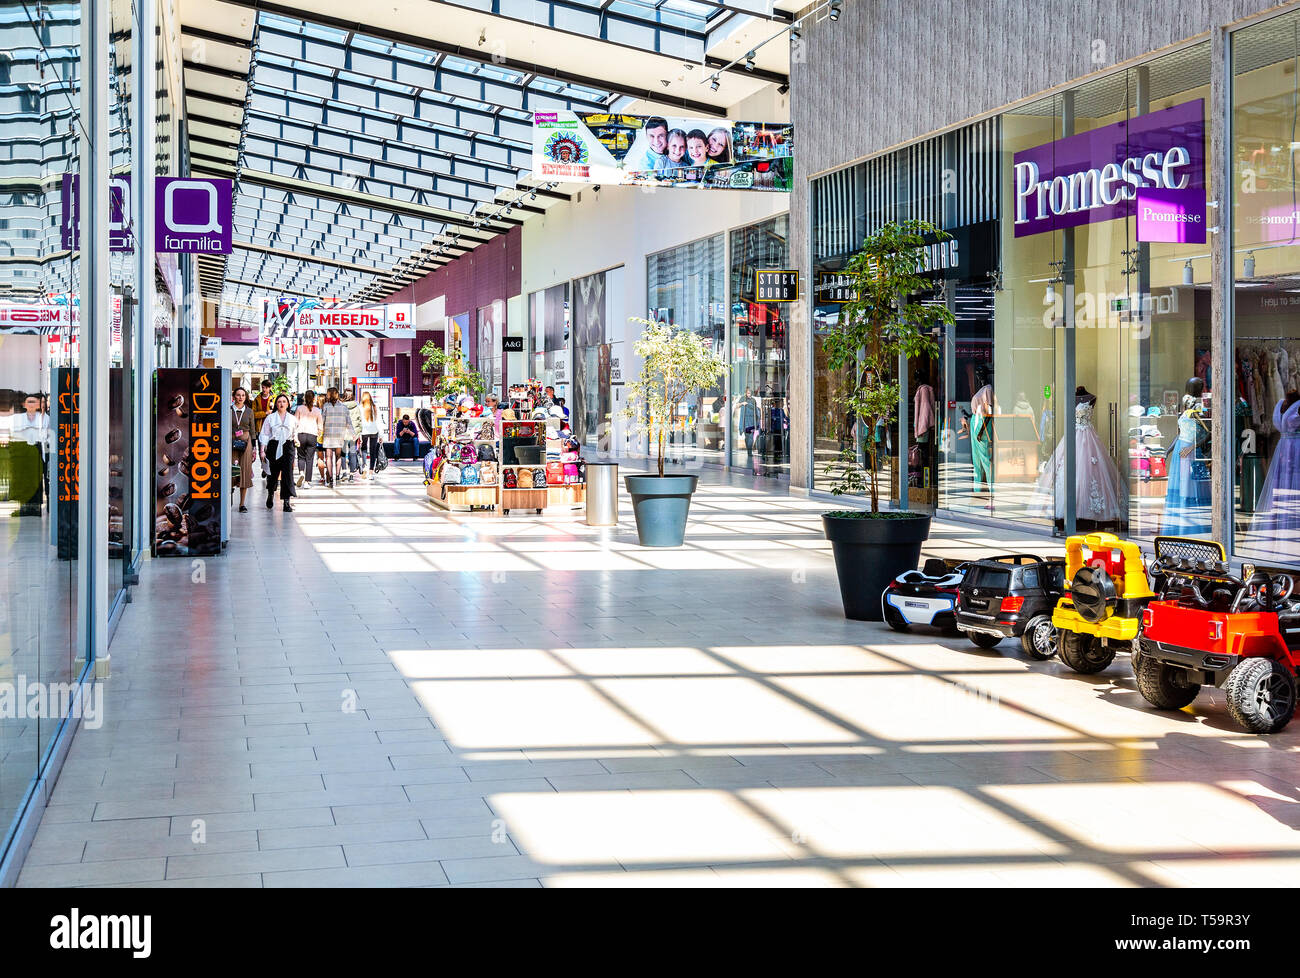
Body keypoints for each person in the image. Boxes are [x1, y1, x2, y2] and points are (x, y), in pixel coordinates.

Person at [10, 392, 51, 516]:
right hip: (25, 451)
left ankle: (39, 507)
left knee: (41, 479)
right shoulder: (19, 418)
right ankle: (26, 507)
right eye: (30, 402)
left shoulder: (45, 418)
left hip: (40, 449)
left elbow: (48, 435)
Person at [259, 394, 297, 512]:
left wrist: (296, 440)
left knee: (287, 474)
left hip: (288, 446)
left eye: (284, 401)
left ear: (288, 404)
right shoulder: (270, 418)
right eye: (279, 401)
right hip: (274, 446)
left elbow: (295, 432)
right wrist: (262, 450)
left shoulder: (292, 418)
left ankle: (286, 501)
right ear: (276, 404)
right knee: (273, 473)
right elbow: (265, 434)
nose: (281, 404)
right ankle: (270, 493)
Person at [319, 386, 354, 488]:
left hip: (328, 435)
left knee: (328, 457)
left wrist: (319, 431)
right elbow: (349, 422)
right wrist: (353, 433)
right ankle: (337, 475)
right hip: (339, 434)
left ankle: (330, 476)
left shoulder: (326, 406)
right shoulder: (344, 407)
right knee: (339, 456)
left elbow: (322, 421)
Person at [230, 386, 257, 513]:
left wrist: (254, 448)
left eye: (243, 395)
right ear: (234, 396)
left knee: (244, 470)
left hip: (246, 443)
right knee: (230, 470)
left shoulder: (249, 411)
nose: (240, 397)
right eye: (238, 395)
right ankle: (228, 499)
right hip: (231, 442)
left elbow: (252, 430)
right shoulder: (228, 410)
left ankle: (242, 504)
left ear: (245, 397)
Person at [294, 390, 323, 488]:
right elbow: (320, 425)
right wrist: (318, 434)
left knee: (301, 456)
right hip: (312, 435)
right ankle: (307, 482)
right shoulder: (317, 410)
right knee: (309, 459)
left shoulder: (299, 408)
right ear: (314, 399)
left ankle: (301, 472)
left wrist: (294, 435)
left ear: (304, 398)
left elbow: (295, 422)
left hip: (301, 434)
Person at [358, 391, 383, 479]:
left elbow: (359, 421)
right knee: (373, 451)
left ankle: (364, 465)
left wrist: (358, 434)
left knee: (364, 448)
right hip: (374, 431)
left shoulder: (360, 407)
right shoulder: (375, 407)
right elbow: (379, 421)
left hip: (364, 432)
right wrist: (381, 435)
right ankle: (371, 473)